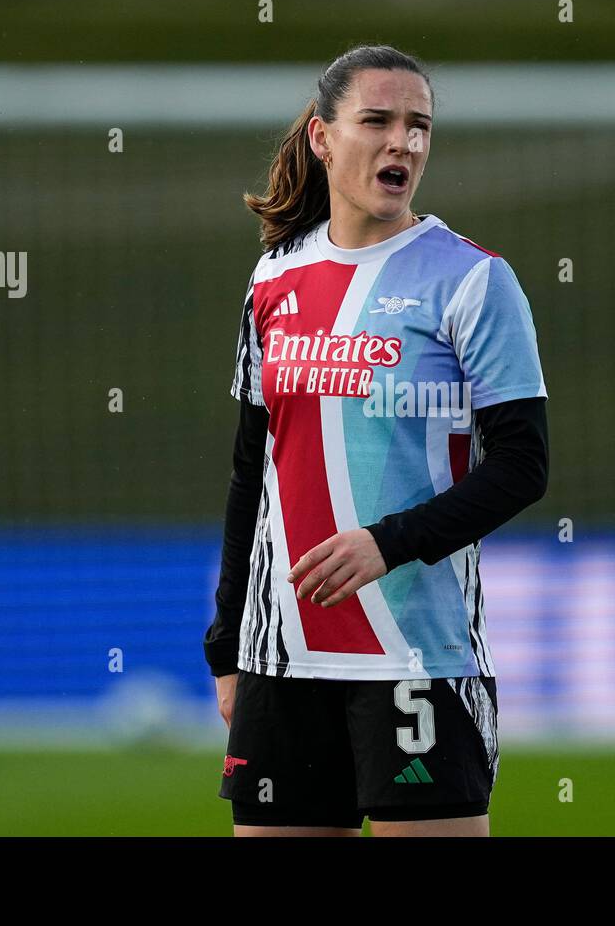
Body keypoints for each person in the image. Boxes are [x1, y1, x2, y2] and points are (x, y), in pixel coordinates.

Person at [204, 43, 549, 837]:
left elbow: (524, 467)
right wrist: (228, 644)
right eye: (380, 121)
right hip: (281, 660)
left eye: (419, 125)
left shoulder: (473, 279)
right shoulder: (272, 278)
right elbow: (249, 471)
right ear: (325, 138)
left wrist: (388, 543)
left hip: (417, 664)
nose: (405, 142)